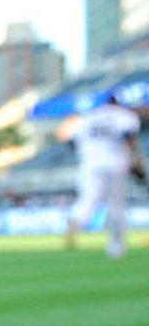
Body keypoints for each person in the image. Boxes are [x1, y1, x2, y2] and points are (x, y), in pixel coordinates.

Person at [65, 95, 147, 259]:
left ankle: (76, 220)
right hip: (116, 161)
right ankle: (116, 244)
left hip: (90, 164)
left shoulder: (88, 117)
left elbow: (71, 142)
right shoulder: (124, 116)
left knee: (88, 198)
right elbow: (129, 138)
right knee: (115, 203)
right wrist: (137, 162)